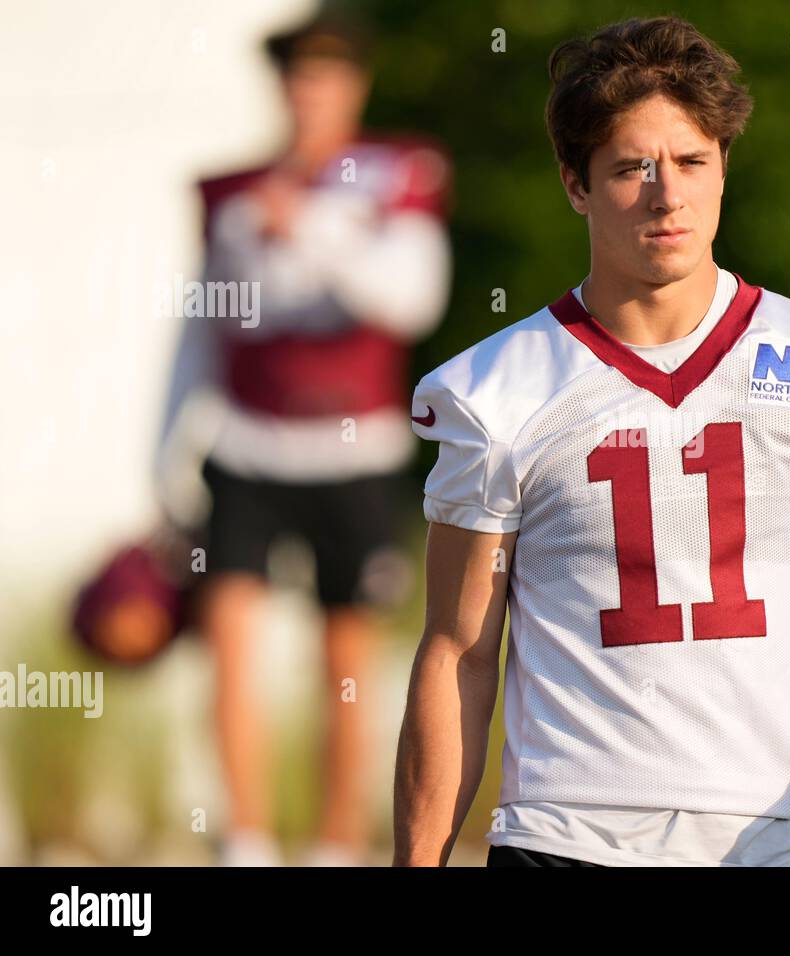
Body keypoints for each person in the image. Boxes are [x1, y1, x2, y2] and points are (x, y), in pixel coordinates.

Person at [393, 16, 790, 868]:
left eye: (690, 161)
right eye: (630, 167)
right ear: (574, 184)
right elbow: (461, 651)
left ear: (724, 167)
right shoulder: (500, 389)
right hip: (564, 843)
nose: (666, 194)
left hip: (771, 845)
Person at [154, 9, 453, 865]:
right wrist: (164, 452)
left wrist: (313, 232)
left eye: (326, 76)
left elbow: (411, 301)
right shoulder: (229, 191)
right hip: (248, 446)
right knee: (229, 645)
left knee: (345, 661)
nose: (308, 94)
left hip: (356, 453)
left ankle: (332, 846)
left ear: (355, 85)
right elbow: (201, 329)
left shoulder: (402, 172)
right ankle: (244, 841)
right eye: (295, 77)